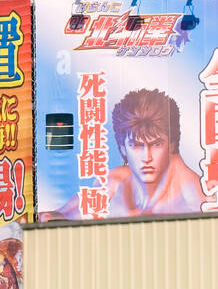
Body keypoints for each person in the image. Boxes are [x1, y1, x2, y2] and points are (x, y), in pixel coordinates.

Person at [43, 89, 205, 220]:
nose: (146, 157)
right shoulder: (115, 181)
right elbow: (54, 216)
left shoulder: (192, 196)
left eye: (156, 144)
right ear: (122, 149)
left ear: (171, 146)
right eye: (136, 146)